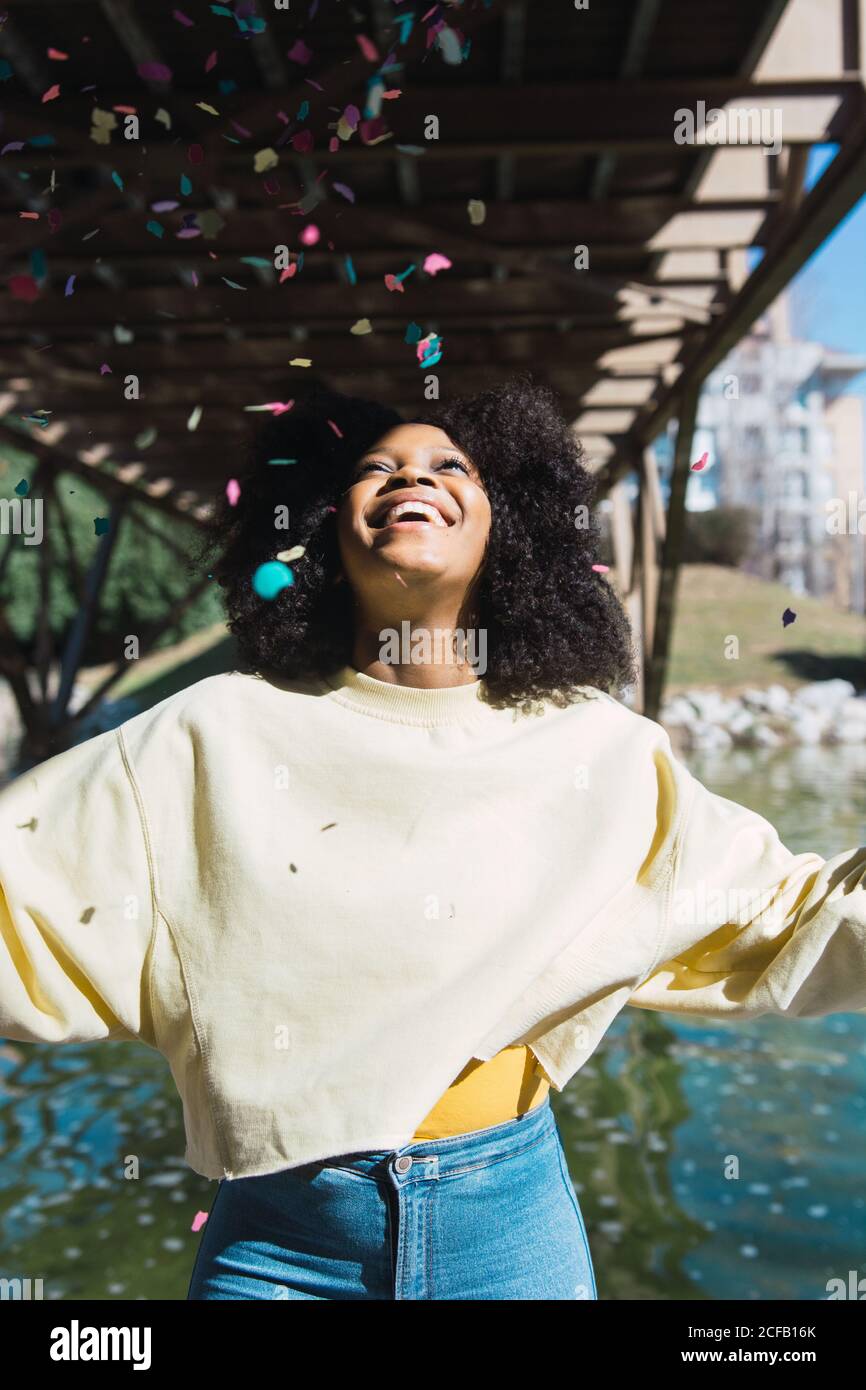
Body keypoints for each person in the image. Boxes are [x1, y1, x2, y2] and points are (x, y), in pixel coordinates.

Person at [1, 377, 864, 1301]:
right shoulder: (205, 733)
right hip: (278, 1250)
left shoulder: (599, 750)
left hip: (508, 1231)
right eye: (377, 468)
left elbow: (790, 921)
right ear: (329, 530)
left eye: (451, 465)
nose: (412, 476)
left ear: (509, 528)